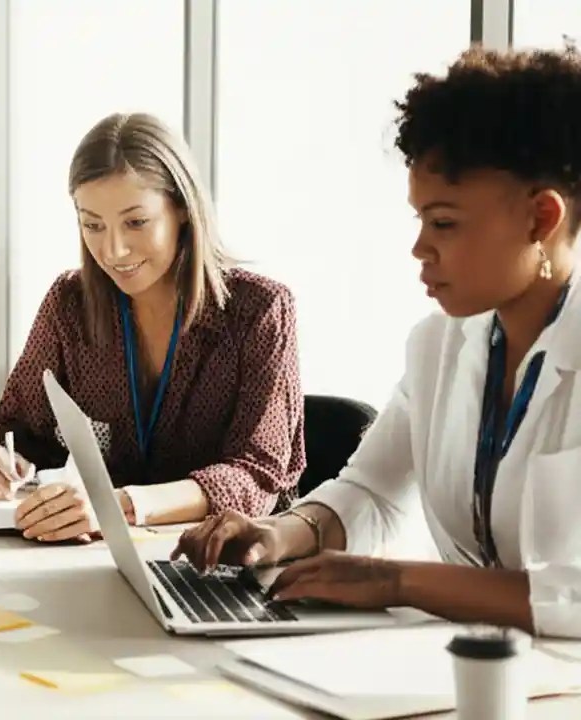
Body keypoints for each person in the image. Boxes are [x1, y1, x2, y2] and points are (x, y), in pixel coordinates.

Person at [174, 45, 581, 639]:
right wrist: (281, 533)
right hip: (466, 666)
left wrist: (397, 582)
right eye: (419, 220)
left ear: (541, 219)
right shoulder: (438, 345)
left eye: (443, 222)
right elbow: (371, 489)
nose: (420, 247)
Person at [0, 112, 305, 543]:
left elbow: (256, 474)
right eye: (92, 224)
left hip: (220, 565)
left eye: (136, 222)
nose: (113, 250)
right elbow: (12, 426)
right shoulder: (69, 303)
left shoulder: (260, 311)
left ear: (182, 208)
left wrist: (122, 507)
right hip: (97, 557)